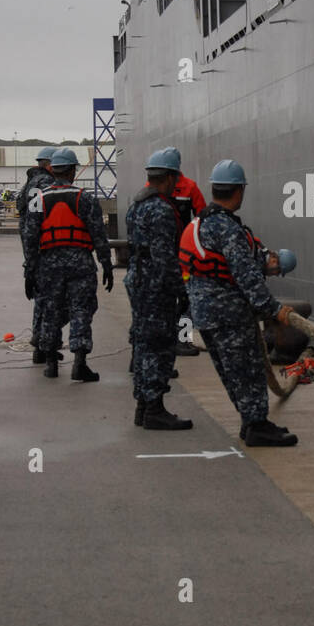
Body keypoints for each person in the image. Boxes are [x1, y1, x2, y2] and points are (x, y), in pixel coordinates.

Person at [179, 159, 298, 447]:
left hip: (205, 315)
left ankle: (249, 422)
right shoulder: (228, 228)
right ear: (239, 191)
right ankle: (257, 426)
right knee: (249, 370)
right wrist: (274, 310)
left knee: (231, 372)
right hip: (229, 314)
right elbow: (246, 277)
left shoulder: (200, 222)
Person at [22, 148, 113, 380]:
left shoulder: (38, 200)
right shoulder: (86, 199)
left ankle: (51, 364)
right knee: (81, 309)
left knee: (50, 310)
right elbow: (99, 235)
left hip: (48, 265)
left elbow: (30, 238)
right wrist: (106, 264)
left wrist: (30, 272)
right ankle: (79, 364)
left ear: (54, 170)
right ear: (72, 171)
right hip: (80, 264)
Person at [126, 149, 193, 430]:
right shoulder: (162, 210)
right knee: (160, 346)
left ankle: (143, 406)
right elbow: (165, 258)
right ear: (169, 177)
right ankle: (154, 409)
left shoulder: (136, 205)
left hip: (139, 281)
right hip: (157, 287)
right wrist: (182, 291)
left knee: (143, 345)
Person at [162, 146, 205, 357]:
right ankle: (182, 340)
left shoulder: (153, 186)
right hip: (184, 256)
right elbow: (203, 218)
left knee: (166, 299)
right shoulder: (190, 187)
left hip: (163, 255)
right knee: (187, 298)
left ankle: (168, 340)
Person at [16, 147, 57, 363]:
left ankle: (39, 344)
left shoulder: (30, 183)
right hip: (44, 248)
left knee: (41, 299)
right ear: (49, 165)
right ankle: (44, 343)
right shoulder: (46, 184)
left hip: (32, 247)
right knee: (51, 301)